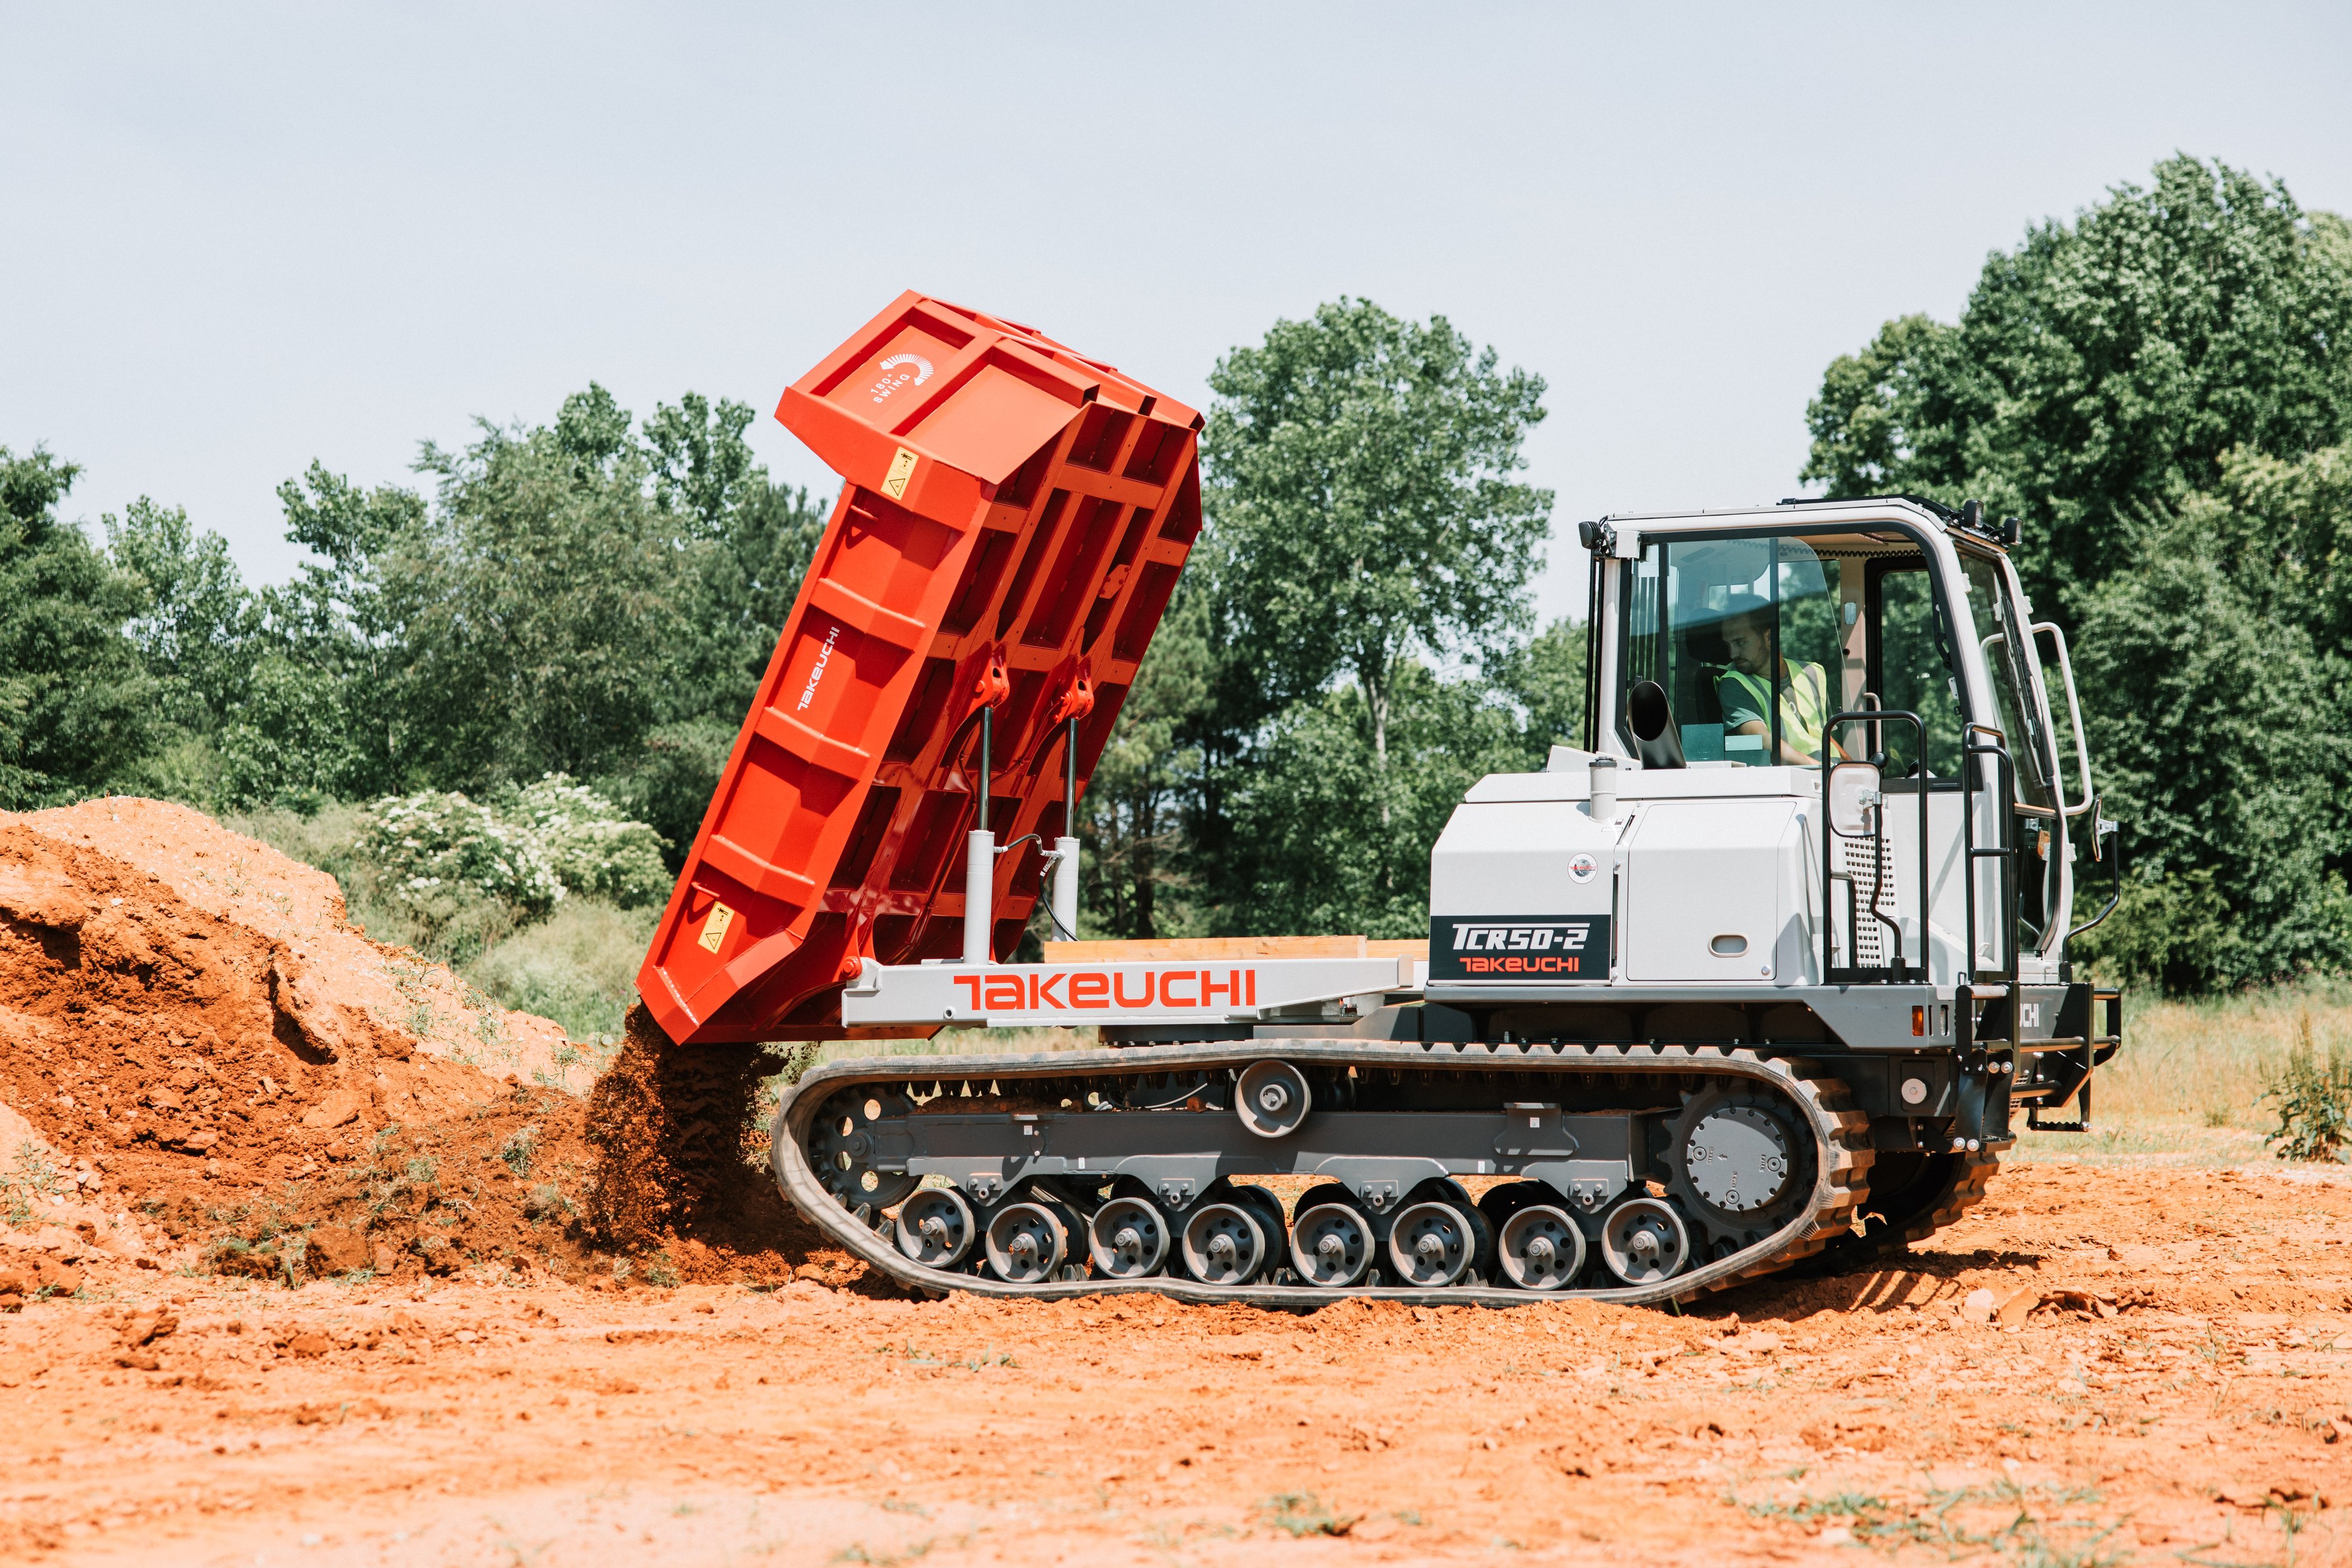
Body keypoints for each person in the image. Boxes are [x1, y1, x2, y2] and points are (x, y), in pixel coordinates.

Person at [1715, 602, 1835, 764]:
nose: (1733, 654)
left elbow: (1826, 736)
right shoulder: (1735, 683)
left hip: (1830, 773)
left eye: (1740, 643)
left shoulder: (1812, 672)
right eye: (1728, 645)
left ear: (1770, 637)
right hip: (1794, 778)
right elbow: (1760, 739)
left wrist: (1852, 765)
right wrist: (1819, 769)